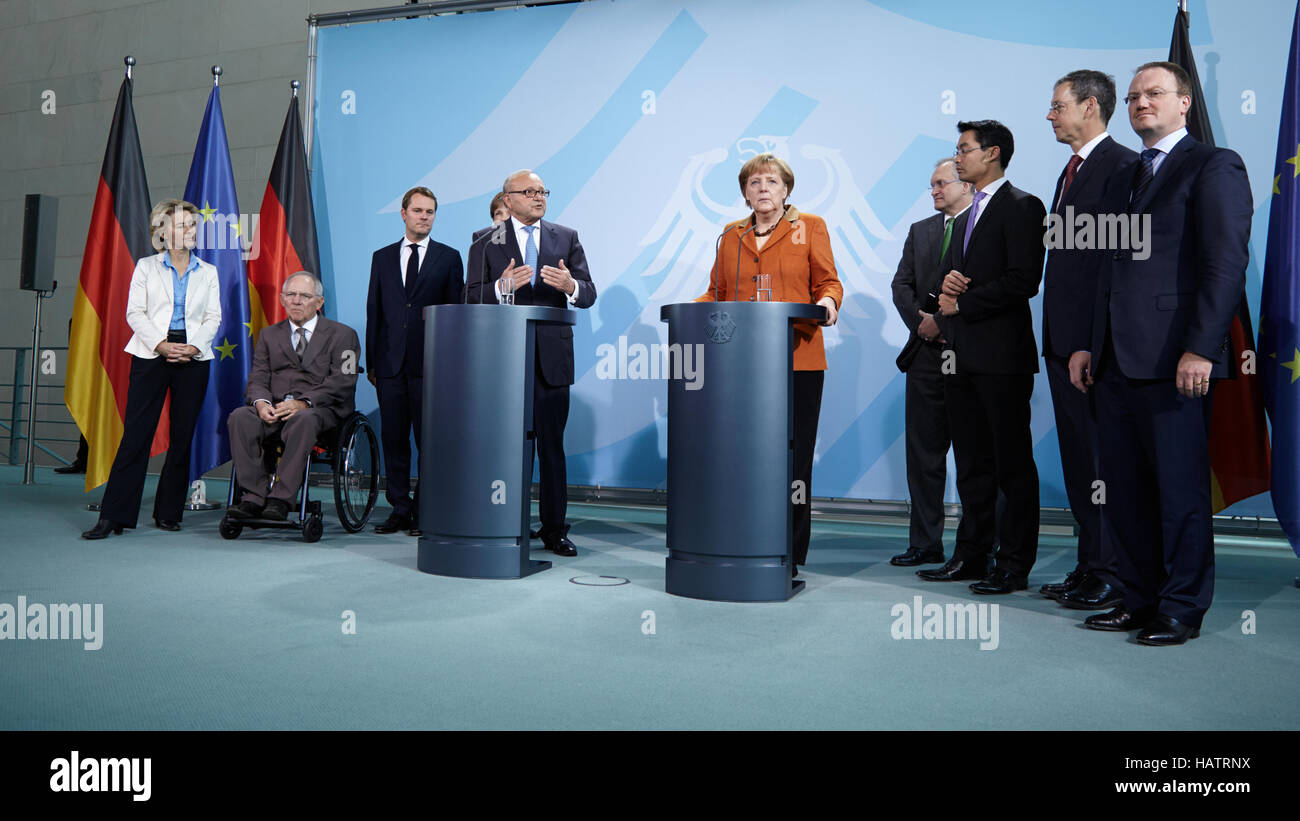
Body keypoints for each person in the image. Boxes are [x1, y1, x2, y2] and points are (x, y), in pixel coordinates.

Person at [1078, 62, 1251, 645]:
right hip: (1113, 362)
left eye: (1154, 94)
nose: (1140, 104)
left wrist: (1201, 348)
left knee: (1179, 494)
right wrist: (1087, 344)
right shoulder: (1124, 175)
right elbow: (1107, 268)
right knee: (1124, 494)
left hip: (1177, 362)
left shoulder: (1214, 165)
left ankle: (1180, 607)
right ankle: (1138, 597)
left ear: (1184, 103)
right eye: (1132, 98)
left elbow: (1224, 265)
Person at [698, 153, 843, 577]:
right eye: (754, 182)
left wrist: (828, 305)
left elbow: (828, 282)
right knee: (744, 455)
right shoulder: (730, 235)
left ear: (786, 190)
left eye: (772, 181)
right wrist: (687, 312)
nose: (763, 188)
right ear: (745, 193)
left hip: (798, 358)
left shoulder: (809, 226)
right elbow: (717, 293)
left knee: (791, 460)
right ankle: (745, 539)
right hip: (741, 365)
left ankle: (789, 552)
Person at [919, 120, 1046, 594]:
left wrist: (962, 303)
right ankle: (971, 555)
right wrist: (948, 289)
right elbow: (962, 280)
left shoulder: (1023, 206)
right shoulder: (967, 213)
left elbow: (1024, 280)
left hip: (1002, 358)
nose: (957, 159)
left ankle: (1013, 565)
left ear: (992, 153)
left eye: (964, 150)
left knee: (1011, 464)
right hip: (961, 355)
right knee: (972, 463)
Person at [1039, 70, 1138, 609]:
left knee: (1104, 463)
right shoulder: (1070, 171)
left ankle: (1114, 573)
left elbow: (1112, 266)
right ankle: (1089, 563)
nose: (1050, 116)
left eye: (1057, 106)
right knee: (1080, 461)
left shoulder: (1123, 166)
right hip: (1062, 341)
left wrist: (1089, 341)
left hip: (1092, 346)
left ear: (1091, 107)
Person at [465, 170, 597, 557]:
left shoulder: (566, 237)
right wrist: (500, 287)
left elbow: (588, 293)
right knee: (505, 448)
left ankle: (555, 530)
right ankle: (506, 522)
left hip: (551, 361)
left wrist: (569, 286)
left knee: (551, 448)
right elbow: (470, 297)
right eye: (529, 192)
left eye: (542, 191)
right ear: (508, 199)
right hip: (503, 363)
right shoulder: (485, 241)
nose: (539, 197)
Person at [82, 199, 221, 539]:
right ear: (164, 231)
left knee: (182, 437)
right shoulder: (146, 267)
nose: (189, 231)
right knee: (136, 436)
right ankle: (114, 515)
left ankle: (169, 512)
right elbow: (135, 314)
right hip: (150, 354)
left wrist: (193, 347)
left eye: (192, 225)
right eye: (182, 225)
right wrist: (161, 344)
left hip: (194, 358)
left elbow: (213, 317)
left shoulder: (209, 271)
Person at [366, 186, 464, 536]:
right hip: (390, 367)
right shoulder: (382, 257)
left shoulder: (449, 258)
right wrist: (374, 364)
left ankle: (426, 509)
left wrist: (450, 367)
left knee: (429, 442)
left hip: (432, 368)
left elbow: (456, 316)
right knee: (394, 440)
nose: (424, 217)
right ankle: (399, 508)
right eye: (418, 210)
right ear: (404, 213)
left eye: (430, 212)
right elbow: (374, 312)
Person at [889, 158, 973, 567]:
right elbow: (900, 284)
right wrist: (923, 325)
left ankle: (978, 547)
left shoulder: (984, 224)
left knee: (977, 456)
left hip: (970, 354)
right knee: (923, 454)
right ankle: (925, 542)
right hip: (924, 357)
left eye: (941, 183)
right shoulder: (920, 230)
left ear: (965, 184)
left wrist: (942, 323)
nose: (935, 190)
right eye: (932, 185)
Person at [226, 272, 361, 522]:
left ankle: (281, 498)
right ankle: (254, 496)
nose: (297, 301)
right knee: (240, 418)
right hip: (275, 408)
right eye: (291, 295)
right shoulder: (268, 335)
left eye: (305, 296)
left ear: (319, 302)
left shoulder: (344, 335)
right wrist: (261, 403)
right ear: (282, 300)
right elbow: (258, 377)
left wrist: (304, 402)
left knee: (304, 419)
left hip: (320, 411)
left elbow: (344, 381)